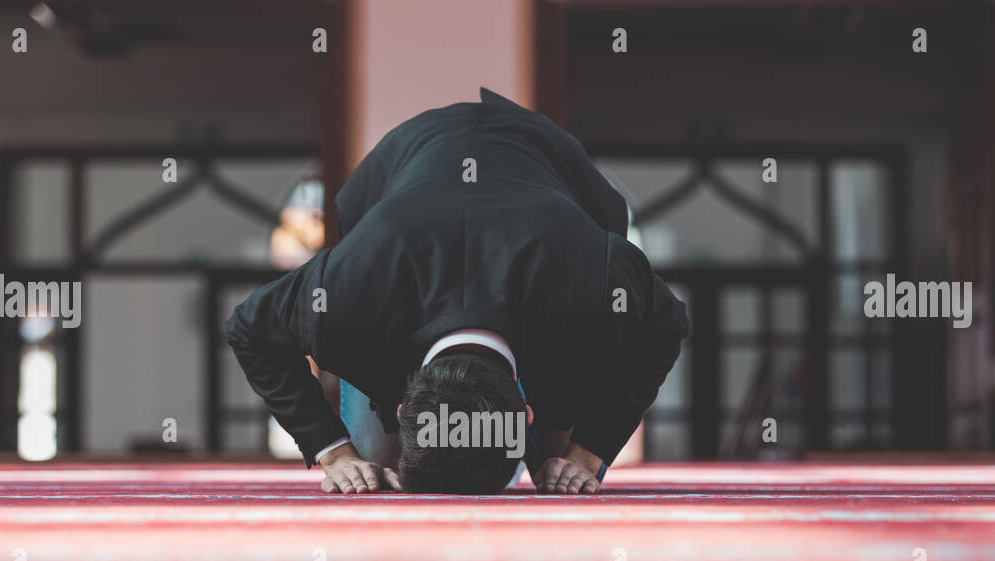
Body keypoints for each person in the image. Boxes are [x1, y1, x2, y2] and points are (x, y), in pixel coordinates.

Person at [225, 88, 689, 494]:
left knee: (562, 472)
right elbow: (248, 328)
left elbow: (667, 327)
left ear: (530, 413)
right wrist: (335, 452)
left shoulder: (593, 280)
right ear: (402, 406)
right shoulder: (349, 293)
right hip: (407, 166)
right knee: (370, 469)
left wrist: (589, 453)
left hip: (546, 169)